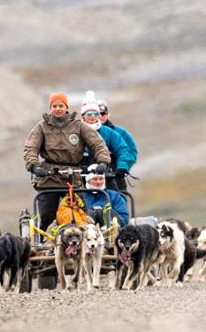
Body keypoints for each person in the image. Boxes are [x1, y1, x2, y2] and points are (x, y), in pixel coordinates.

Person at [23, 91, 109, 241]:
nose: (58, 109)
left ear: (66, 106)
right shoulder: (42, 127)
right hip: (49, 178)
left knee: (80, 214)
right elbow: (30, 148)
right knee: (47, 216)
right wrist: (34, 166)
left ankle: (84, 243)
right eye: (54, 106)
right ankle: (46, 246)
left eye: (60, 105)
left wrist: (102, 161)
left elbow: (97, 143)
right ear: (50, 107)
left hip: (73, 177)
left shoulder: (79, 126)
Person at [78, 91, 130, 178]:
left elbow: (123, 149)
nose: (93, 116)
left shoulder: (108, 132)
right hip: (79, 176)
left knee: (115, 191)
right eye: (89, 114)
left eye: (96, 113)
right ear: (83, 115)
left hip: (105, 175)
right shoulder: (75, 131)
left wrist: (122, 167)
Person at [97, 98, 138, 190]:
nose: (100, 116)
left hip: (115, 175)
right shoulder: (83, 132)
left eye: (103, 113)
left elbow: (131, 151)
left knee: (119, 201)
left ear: (108, 114)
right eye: (97, 113)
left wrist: (123, 167)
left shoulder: (120, 132)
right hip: (90, 177)